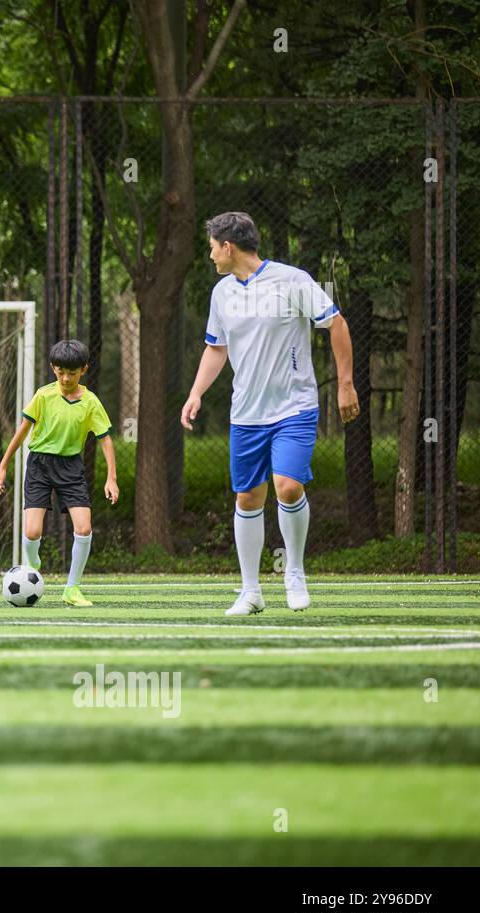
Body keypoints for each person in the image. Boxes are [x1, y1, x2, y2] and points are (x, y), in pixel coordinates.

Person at [181, 211, 360, 615]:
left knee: (288, 487)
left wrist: (346, 384)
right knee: (247, 497)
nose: (210, 256)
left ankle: (294, 573)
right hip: (246, 414)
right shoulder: (221, 293)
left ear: (228, 246)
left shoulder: (293, 280)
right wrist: (195, 394)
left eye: (212, 247)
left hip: (294, 407)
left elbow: (336, 324)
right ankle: (250, 592)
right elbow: (216, 348)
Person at [0, 338, 119, 607]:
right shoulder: (43, 395)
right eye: (60, 372)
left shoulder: (91, 402)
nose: (65, 378)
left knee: (84, 528)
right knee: (31, 532)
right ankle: (33, 565)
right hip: (39, 465)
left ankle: (72, 590)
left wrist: (112, 477)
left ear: (83, 370)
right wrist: (4, 464)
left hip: (71, 467)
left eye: (72, 373)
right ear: (53, 368)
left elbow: (106, 439)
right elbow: (22, 431)